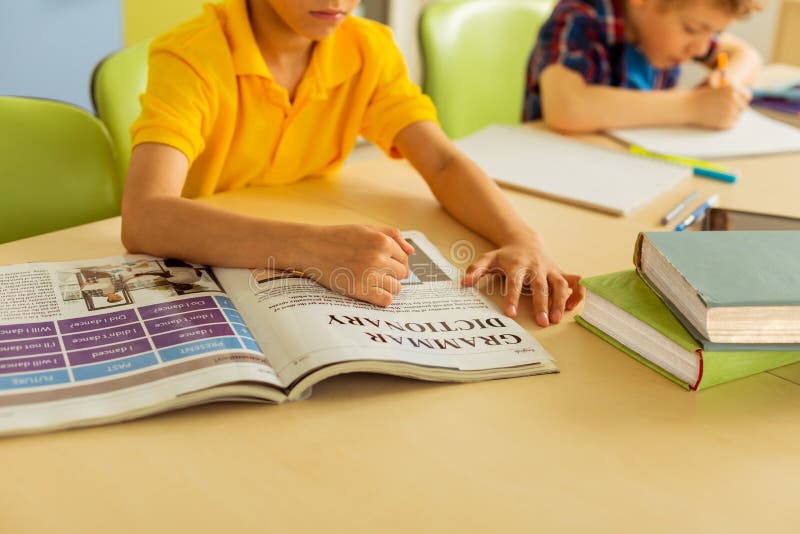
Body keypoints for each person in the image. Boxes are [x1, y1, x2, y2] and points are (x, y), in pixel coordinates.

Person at [122, 0, 584, 327]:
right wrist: (309, 249)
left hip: (299, 273)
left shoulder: (367, 48)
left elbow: (440, 161)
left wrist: (521, 237)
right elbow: (145, 216)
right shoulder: (191, 55)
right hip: (207, 264)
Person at [523, 0, 763, 132]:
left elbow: (746, 55)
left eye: (715, 32)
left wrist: (726, 82)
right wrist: (694, 105)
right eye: (692, 29)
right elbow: (566, 108)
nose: (701, 48)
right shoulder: (578, 17)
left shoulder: (677, 31)